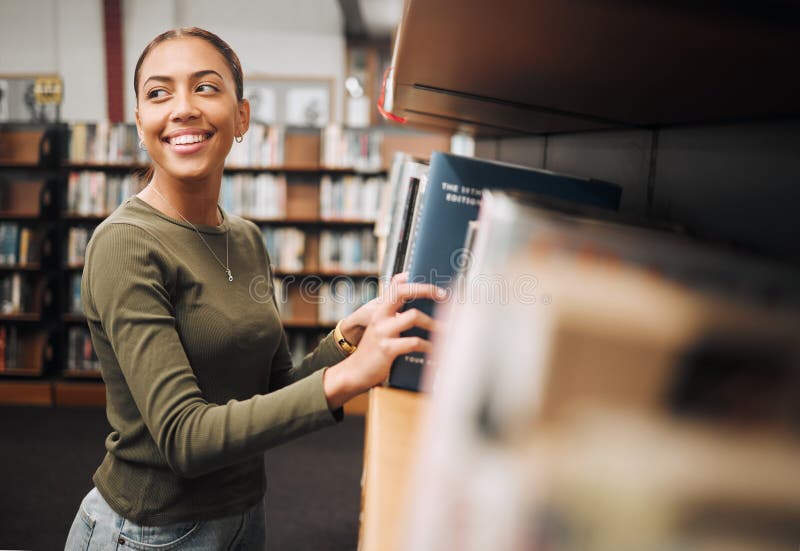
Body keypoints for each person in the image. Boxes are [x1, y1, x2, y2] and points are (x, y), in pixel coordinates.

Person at [64, 27, 442, 550]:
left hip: (242, 516)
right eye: (158, 93)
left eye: (205, 87)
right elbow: (185, 438)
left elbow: (270, 394)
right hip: (149, 531)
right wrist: (352, 376)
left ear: (241, 116)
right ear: (139, 121)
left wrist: (347, 338)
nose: (182, 108)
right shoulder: (125, 244)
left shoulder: (244, 238)